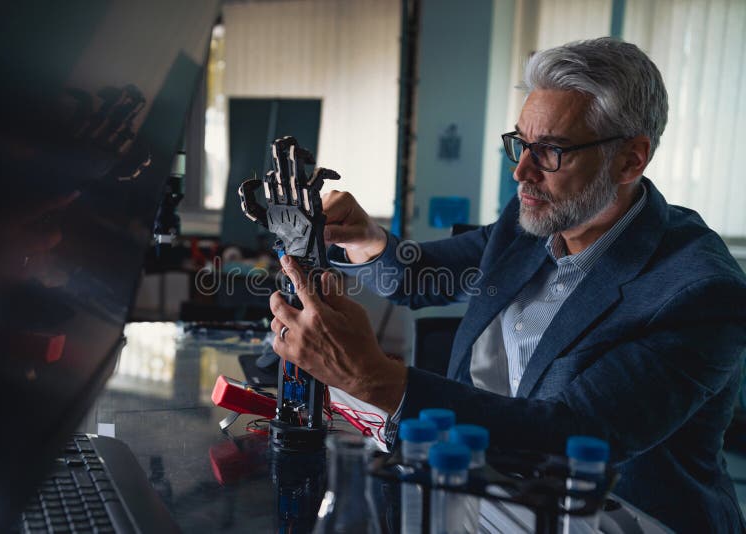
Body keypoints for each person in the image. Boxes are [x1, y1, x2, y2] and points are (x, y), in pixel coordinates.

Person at [269, 37, 746, 532]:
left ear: (630, 160)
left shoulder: (701, 291)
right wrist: (367, 238)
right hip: (481, 494)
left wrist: (371, 378)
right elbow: (419, 278)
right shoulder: (532, 223)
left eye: (552, 152)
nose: (521, 172)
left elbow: (573, 436)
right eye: (520, 143)